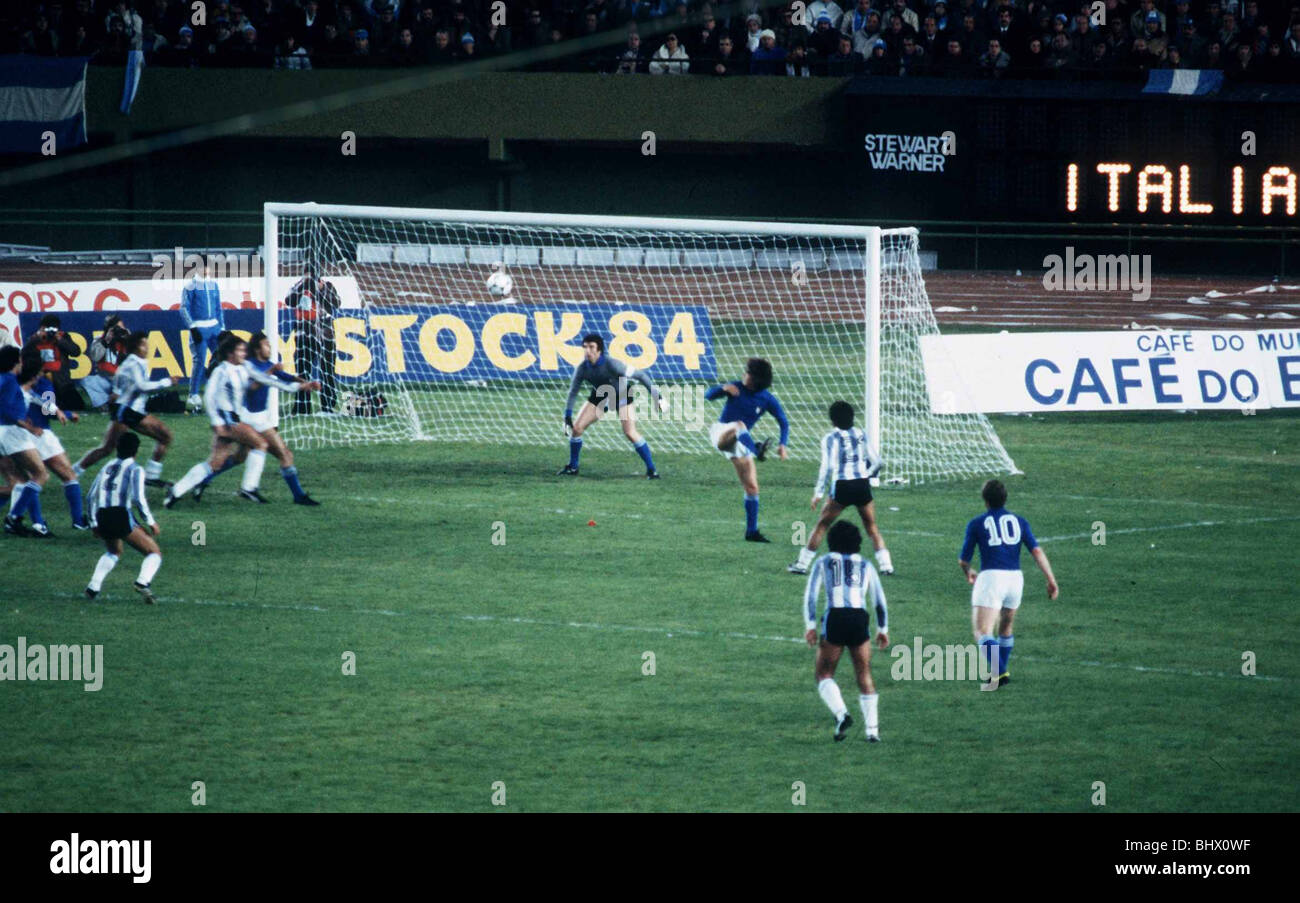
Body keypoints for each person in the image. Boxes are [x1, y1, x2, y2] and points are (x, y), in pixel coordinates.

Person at [165, 334, 318, 507]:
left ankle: (177, 490)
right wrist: (217, 422)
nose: (244, 353)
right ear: (231, 353)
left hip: (237, 419)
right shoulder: (222, 371)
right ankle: (249, 488)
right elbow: (209, 396)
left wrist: (299, 386)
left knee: (216, 462)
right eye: (240, 350)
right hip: (228, 421)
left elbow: (266, 380)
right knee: (260, 445)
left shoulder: (244, 367)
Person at [959, 479, 1060, 691]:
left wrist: (969, 572)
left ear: (985, 500)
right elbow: (1037, 551)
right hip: (1015, 579)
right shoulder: (1020, 521)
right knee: (1005, 627)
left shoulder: (977, 523)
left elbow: (964, 560)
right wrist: (1051, 579)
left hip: (991, 578)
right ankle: (997, 674)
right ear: (1005, 498)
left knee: (982, 631)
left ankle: (1000, 672)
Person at [803, 521, 889, 742]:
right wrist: (882, 629)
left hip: (836, 618)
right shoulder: (867, 565)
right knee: (863, 673)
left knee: (824, 673)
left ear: (831, 542)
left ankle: (842, 714)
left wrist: (811, 626)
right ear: (858, 542)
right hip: (859, 618)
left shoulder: (823, 562)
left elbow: (811, 596)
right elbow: (879, 600)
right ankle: (872, 731)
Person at [789, 400, 892, 575]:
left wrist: (818, 493)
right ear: (852, 417)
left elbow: (827, 468)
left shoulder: (830, 438)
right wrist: (865, 475)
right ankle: (886, 566)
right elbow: (878, 462)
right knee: (871, 525)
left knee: (822, 524)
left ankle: (802, 564)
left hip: (842, 486)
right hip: (862, 486)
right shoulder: (861, 433)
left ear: (833, 421)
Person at [704, 357, 788, 543]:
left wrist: (783, 444)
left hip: (741, 441)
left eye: (748, 372)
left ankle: (751, 532)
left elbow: (783, 421)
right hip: (721, 433)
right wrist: (722, 388)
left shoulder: (767, 399)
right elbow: (707, 396)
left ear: (756, 379)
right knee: (740, 425)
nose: (744, 374)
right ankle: (757, 450)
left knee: (752, 488)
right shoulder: (735, 387)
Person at [559, 333, 666, 478]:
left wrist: (657, 397)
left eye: (591, 347)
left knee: (630, 432)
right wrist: (567, 415)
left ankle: (652, 470)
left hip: (621, 393)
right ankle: (573, 467)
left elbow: (641, 375)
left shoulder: (613, 364)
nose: (587, 351)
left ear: (599, 350)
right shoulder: (582, 368)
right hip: (600, 395)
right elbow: (573, 391)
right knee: (576, 429)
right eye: (585, 347)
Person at [80, 332, 175, 488]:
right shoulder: (133, 363)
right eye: (144, 344)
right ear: (137, 347)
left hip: (135, 411)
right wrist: (167, 381)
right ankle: (74, 472)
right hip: (126, 410)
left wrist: (116, 391)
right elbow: (142, 386)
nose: (147, 347)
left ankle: (151, 476)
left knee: (165, 436)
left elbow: (119, 380)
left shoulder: (135, 362)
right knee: (107, 448)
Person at [85, 432, 163, 603]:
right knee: (153, 552)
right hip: (120, 514)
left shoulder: (107, 466)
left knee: (114, 551)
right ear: (136, 451)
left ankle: (93, 586)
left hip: (102, 515)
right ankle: (142, 583)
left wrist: (93, 523)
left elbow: (90, 496)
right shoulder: (135, 469)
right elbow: (138, 498)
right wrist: (151, 522)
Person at [14, 364, 88, 531]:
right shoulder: (43, 383)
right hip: (40, 434)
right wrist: (68, 414)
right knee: (68, 475)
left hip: (16, 436)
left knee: (30, 478)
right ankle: (78, 520)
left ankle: (37, 522)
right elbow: (47, 409)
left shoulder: (11, 381)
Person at [1, 349, 53, 538]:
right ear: (15, 362)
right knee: (40, 474)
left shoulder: (4, 379)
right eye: (20, 359)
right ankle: (14, 517)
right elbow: (7, 410)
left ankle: (33, 521)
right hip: (10, 432)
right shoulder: (8, 380)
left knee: (22, 479)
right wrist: (29, 428)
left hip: (5, 432)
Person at [282, 268, 340, 415]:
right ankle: (302, 407)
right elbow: (289, 301)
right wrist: (304, 285)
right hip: (304, 335)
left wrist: (322, 289)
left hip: (325, 335)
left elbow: (337, 302)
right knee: (302, 372)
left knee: (327, 371)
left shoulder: (328, 286)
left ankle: (327, 407)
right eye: (307, 276)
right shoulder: (298, 286)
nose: (310, 279)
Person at [180, 260, 225, 411]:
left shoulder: (214, 284)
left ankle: (221, 393)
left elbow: (219, 307)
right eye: (204, 268)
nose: (207, 271)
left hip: (215, 328)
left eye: (208, 268)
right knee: (199, 361)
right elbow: (184, 308)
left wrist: (222, 327)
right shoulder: (190, 286)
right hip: (199, 328)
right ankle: (193, 395)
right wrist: (193, 328)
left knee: (222, 360)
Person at [22, 313, 83, 411]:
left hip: (62, 380)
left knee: (76, 404)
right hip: (42, 378)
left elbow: (76, 352)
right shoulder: (34, 339)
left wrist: (60, 340)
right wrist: (37, 339)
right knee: (48, 406)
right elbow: (24, 356)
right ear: (42, 328)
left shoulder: (63, 337)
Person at [82, 314, 131, 411]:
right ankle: (104, 405)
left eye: (122, 327)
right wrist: (106, 341)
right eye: (116, 328)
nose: (119, 330)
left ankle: (122, 405)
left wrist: (129, 339)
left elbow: (134, 358)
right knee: (86, 380)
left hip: (122, 380)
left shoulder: (126, 339)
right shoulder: (99, 339)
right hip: (105, 379)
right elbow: (95, 357)